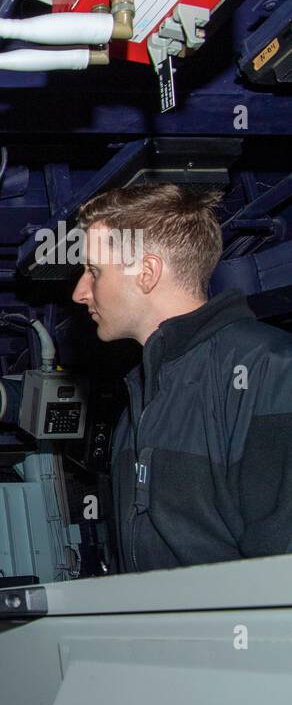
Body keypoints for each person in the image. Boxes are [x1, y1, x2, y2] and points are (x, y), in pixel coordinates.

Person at [71, 184, 292, 572]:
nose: (80, 292)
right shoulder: (139, 403)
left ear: (147, 273)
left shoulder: (269, 370)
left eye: (93, 271)